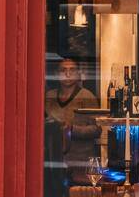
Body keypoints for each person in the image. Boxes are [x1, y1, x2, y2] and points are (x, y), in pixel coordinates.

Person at [43, 57, 101, 189]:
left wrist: (71, 129)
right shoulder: (49, 96)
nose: (67, 73)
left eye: (72, 70)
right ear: (57, 75)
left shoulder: (87, 96)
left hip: (80, 164)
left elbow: (97, 130)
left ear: (78, 74)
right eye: (63, 70)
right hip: (53, 162)